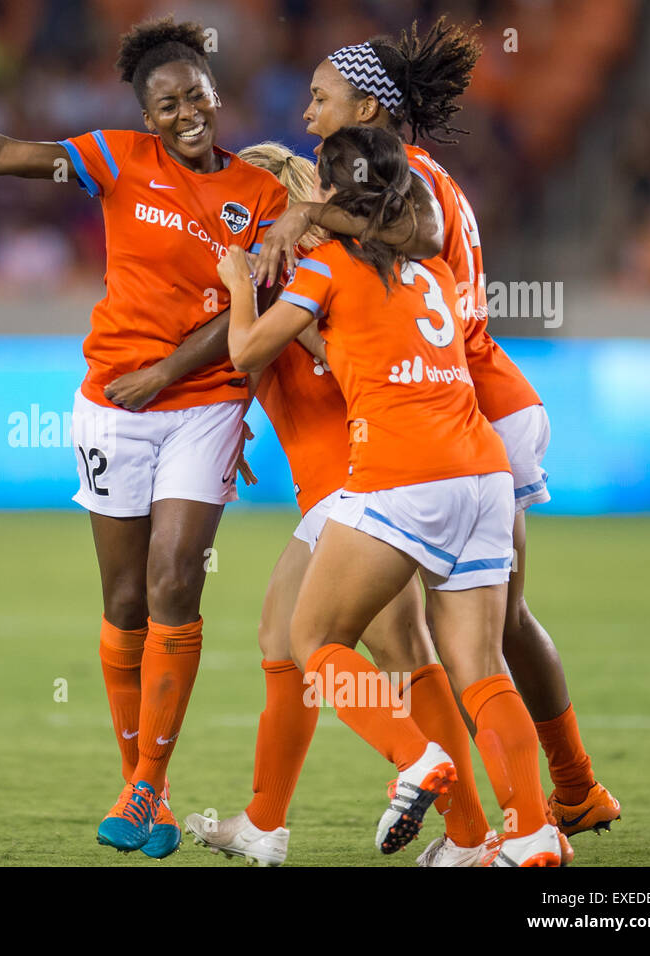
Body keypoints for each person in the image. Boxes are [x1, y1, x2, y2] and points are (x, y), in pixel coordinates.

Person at [0, 16, 288, 857]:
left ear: (215, 94)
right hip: (109, 406)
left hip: (203, 402)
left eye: (194, 95)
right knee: (124, 603)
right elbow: (4, 152)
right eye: (166, 103)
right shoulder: (115, 158)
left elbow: (259, 306)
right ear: (148, 113)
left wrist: (167, 372)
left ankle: (145, 787)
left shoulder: (261, 194)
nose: (185, 112)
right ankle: (142, 790)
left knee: (174, 584)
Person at [254, 18, 618, 847]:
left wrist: (301, 221)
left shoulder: (401, 185)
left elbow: (411, 244)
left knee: (429, 642)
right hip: (479, 408)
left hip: (466, 411)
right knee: (491, 634)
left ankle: (483, 806)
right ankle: (560, 797)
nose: (307, 117)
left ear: (370, 108)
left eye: (321, 99)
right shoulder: (421, 175)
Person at [219, 124, 563, 866]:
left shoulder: (318, 270)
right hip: (480, 471)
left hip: (390, 479)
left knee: (319, 642)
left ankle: (423, 773)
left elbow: (247, 348)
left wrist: (242, 285)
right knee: (468, 662)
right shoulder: (426, 262)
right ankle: (526, 831)